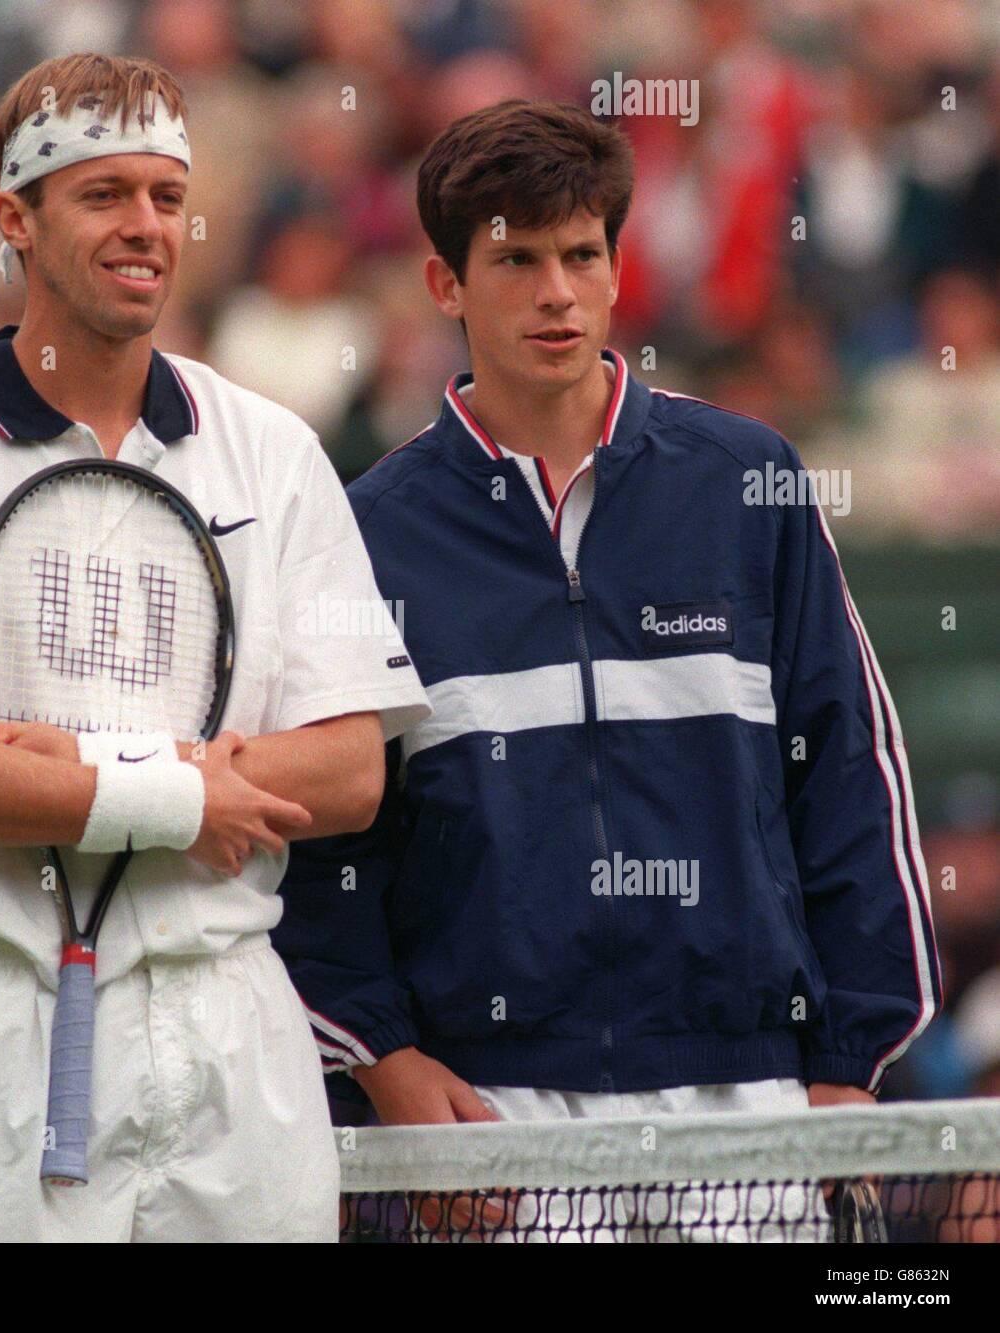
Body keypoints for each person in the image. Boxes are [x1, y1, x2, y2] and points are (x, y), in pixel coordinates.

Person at [0, 53, 429, 1243]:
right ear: (12, 220)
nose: (144, 227)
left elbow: (347, 772)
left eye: (166, 197)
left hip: (237, 1041)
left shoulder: (275, 454)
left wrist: (74, 769)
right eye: (102, 193)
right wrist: (176, 795)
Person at [274, 101, 940, 1240]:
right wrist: (383, 1057)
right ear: (445, 286)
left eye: (581, 255)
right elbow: (318, 844)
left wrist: (846, 1067)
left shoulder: (748, 481)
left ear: (618, 268)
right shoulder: (365, 530)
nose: (555, 292)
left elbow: (849, 779)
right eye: (514, 260)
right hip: (490, 1124)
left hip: (754, 1105)